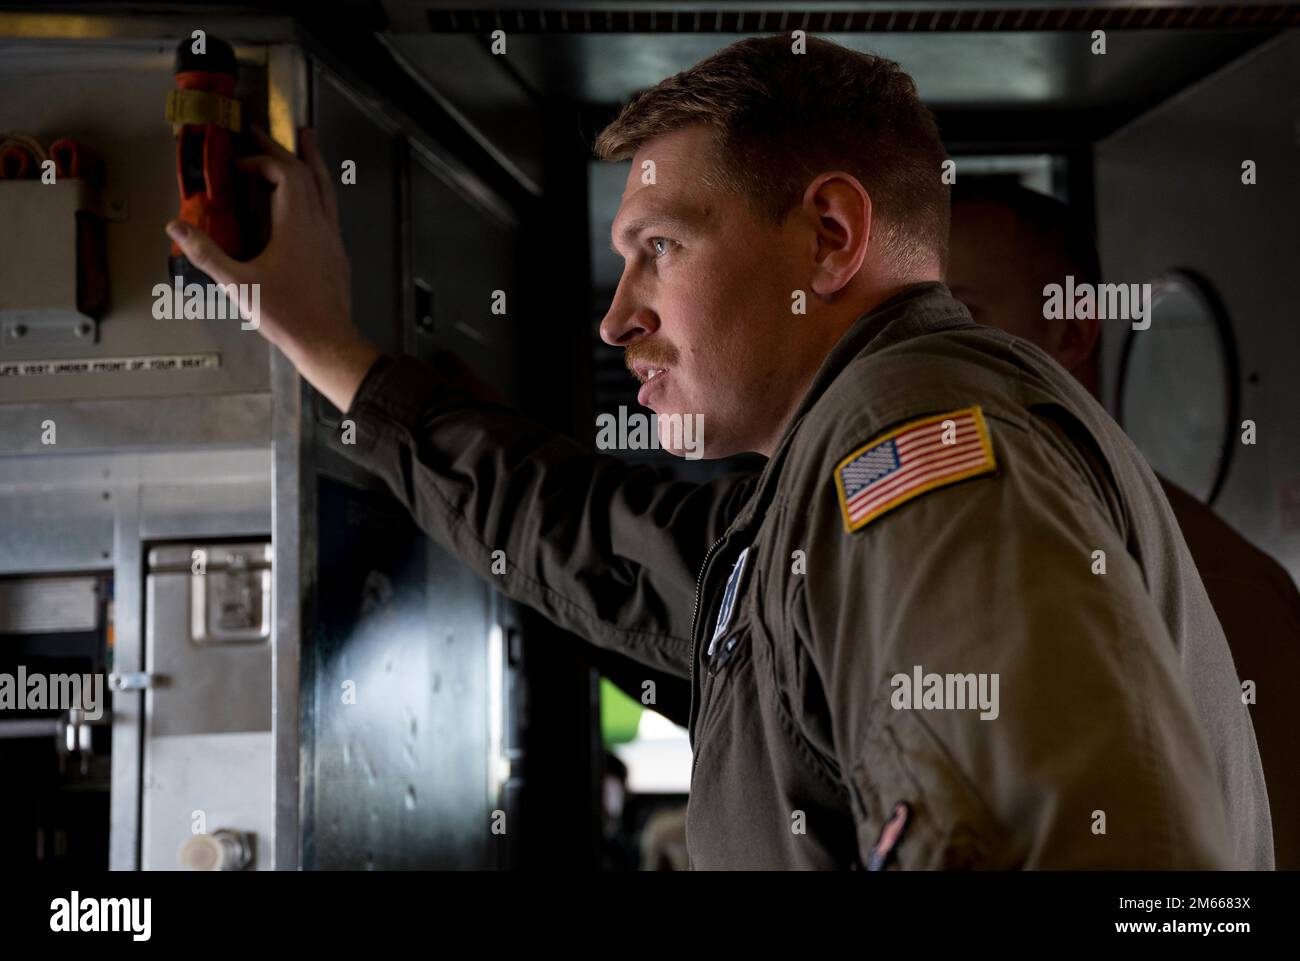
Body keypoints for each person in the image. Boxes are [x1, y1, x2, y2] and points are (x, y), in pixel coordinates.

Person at [164, 35, 1272, 869]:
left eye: (660, 248)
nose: (616, 319)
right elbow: (593, 542)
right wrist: (332, 349)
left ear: (829, 237)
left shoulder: (912, 442)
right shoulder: (820, 493)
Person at [948, 176, 1300, 868]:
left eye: (959, 317)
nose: (910, 360)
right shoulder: (950, 554)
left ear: (1073, 328)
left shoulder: (1217, 587)